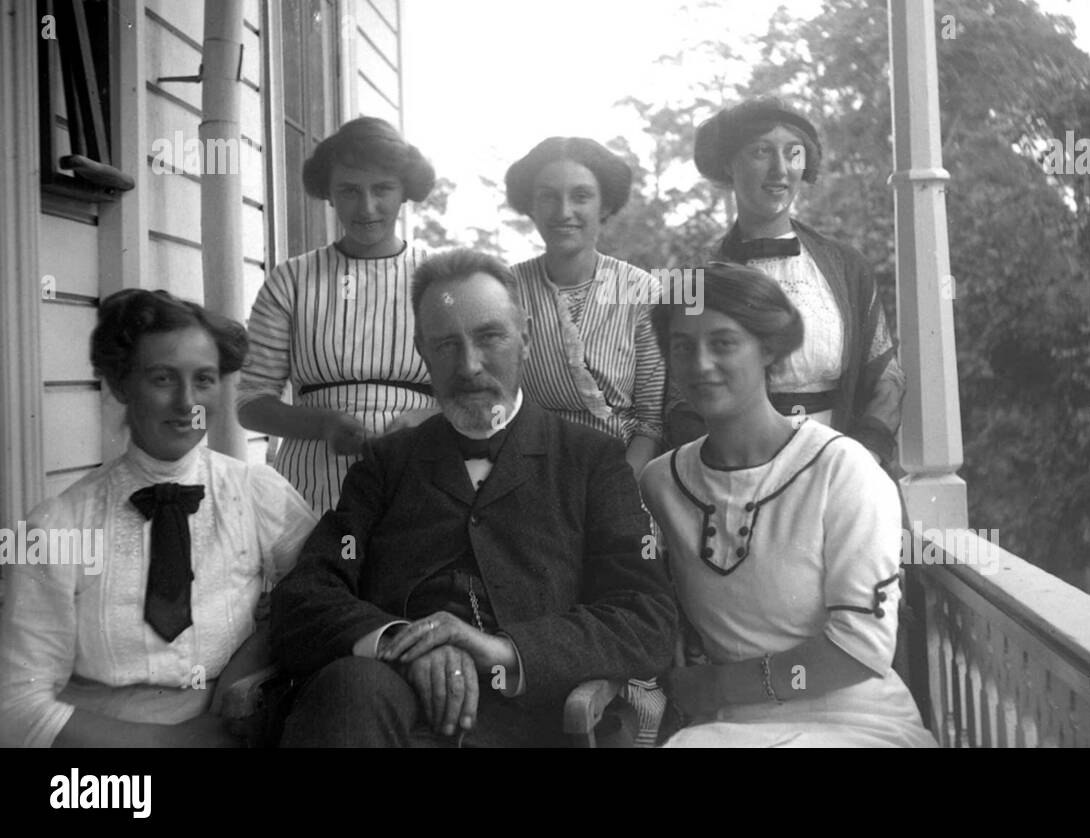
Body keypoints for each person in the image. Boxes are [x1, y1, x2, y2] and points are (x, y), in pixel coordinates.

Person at [269, 249, 677, 747]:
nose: (469, 366)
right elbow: (304, 596)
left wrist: (503, 650)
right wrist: (404, 641)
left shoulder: (591, 461)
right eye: (445, 345)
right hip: (384, 715)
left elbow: (646, 615)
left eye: (489, 337)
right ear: (422, 351)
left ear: (525, 338)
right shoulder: (388, 463)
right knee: (351, 686)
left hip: (527, 723)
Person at [0, 290, 316, 748]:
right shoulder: (54, 528)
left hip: (236, 727)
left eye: (204, 380)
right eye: (163, 378)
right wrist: (178, 743)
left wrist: (259, 646)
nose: (187, 402)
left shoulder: (257, 495)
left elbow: (323, 597)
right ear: (121, 385)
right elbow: (15, 709)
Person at [640, 263, 933, 747]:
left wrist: (714, 685)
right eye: (682, 347)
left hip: (857, 722)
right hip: (727, 728)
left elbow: (861, 648)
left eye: (723, 343)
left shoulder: (841, 469)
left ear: (768, 348)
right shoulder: (663, 483)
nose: (701, 364)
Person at [667, 98, 905, 465]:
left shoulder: (847, 267)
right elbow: (680, 398)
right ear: (729, 163)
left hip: (842, 466)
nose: (780, 169)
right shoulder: (695, 277)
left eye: (793, 153)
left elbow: (886, 379)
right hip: (736, 473)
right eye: (761, 151)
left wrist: (862, 458)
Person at [237, 117, 440, 515]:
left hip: (423, 472)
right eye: (349, 190)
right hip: (313, 486)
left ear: (404, 192)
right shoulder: (291, 281)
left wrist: (427, 417)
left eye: (382, 189)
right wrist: (325, 424)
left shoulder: (438, 281)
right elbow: (250, 403)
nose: (366, 207)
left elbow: (478, 391)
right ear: (329, 194)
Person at [505, 137, 665, 479]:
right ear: (531, 205)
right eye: (548, 196)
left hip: (622, 472)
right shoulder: (504, 291)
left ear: (604, 205)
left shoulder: (642, 291)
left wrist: (618, 492)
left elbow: (650, 423)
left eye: (581, 196)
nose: (563, 212)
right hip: (528, 471)